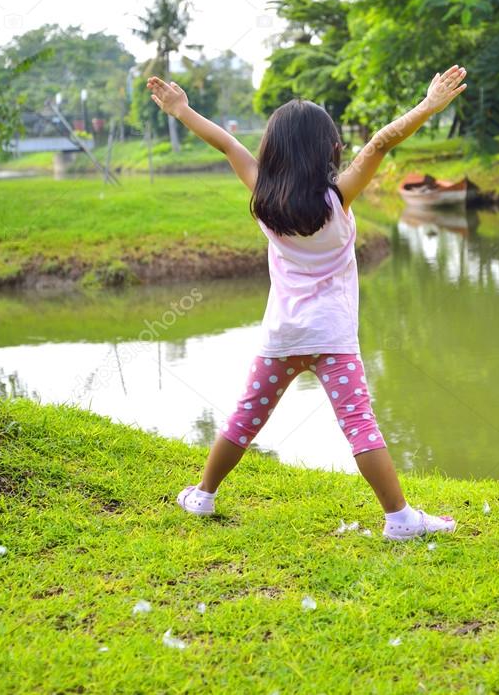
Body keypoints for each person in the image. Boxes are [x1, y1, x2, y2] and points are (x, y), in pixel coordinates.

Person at [146, 64, 467, 540]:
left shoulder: (263, 194)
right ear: (329, 149)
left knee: (243, 419)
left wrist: (182, 110)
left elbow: (227, 143)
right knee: (360, 424)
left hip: (282, 337)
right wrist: (428, 105)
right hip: (333, 337)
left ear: (272, 150)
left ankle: (203, 496)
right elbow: (379, 143)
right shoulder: (338, 199)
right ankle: (399, 518)